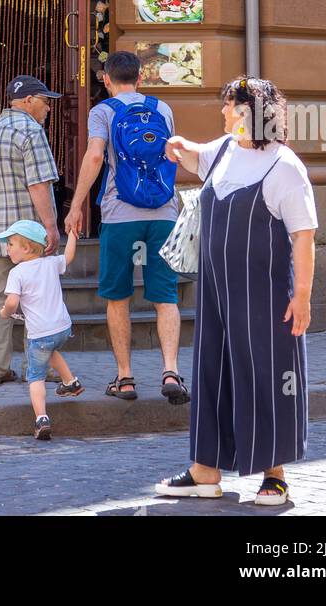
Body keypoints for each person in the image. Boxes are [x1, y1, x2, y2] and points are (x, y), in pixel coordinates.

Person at [156, 77, 317, 505]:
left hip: (265, 296)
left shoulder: (284, 166)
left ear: (251, 113)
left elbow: (303, 236)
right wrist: (179, 144)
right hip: (216, 293)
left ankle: (275, 475)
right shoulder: (225, 150)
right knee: (212, 373)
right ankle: (204, 471)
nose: (224, 114)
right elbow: (196, 154)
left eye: (231, 107)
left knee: (265, 375)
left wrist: (301, 296)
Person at [65, 51, 187, 404]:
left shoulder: (102, 111)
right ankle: (170, 370)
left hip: (121, 214)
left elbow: (94, 156)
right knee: (165, 295)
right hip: (163, 212)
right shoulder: (162, 110)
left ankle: (126, 377)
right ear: (140, 78)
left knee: (117, 297)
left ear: (106, 79)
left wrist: (76, 205)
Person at [0, 75, 61, 387]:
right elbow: (38, 184)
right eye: (45, 101)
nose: (48, 108)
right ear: (28, 101)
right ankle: (37, 367)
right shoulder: (32, 131)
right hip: (29, 236)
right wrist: (51, 227)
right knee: (36, 299)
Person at [0, 219, 82, 441]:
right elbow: (69, 257)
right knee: (51, 350)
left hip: (40, 334)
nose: (7, 248)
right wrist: (73, 234)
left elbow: (12, 302)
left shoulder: (17, 273)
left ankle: (42, 419)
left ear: (26, 248)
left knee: (35, 377)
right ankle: (70, 382)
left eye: (10, 244)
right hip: (63, 328)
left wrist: (5, 313)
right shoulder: (50, 263)